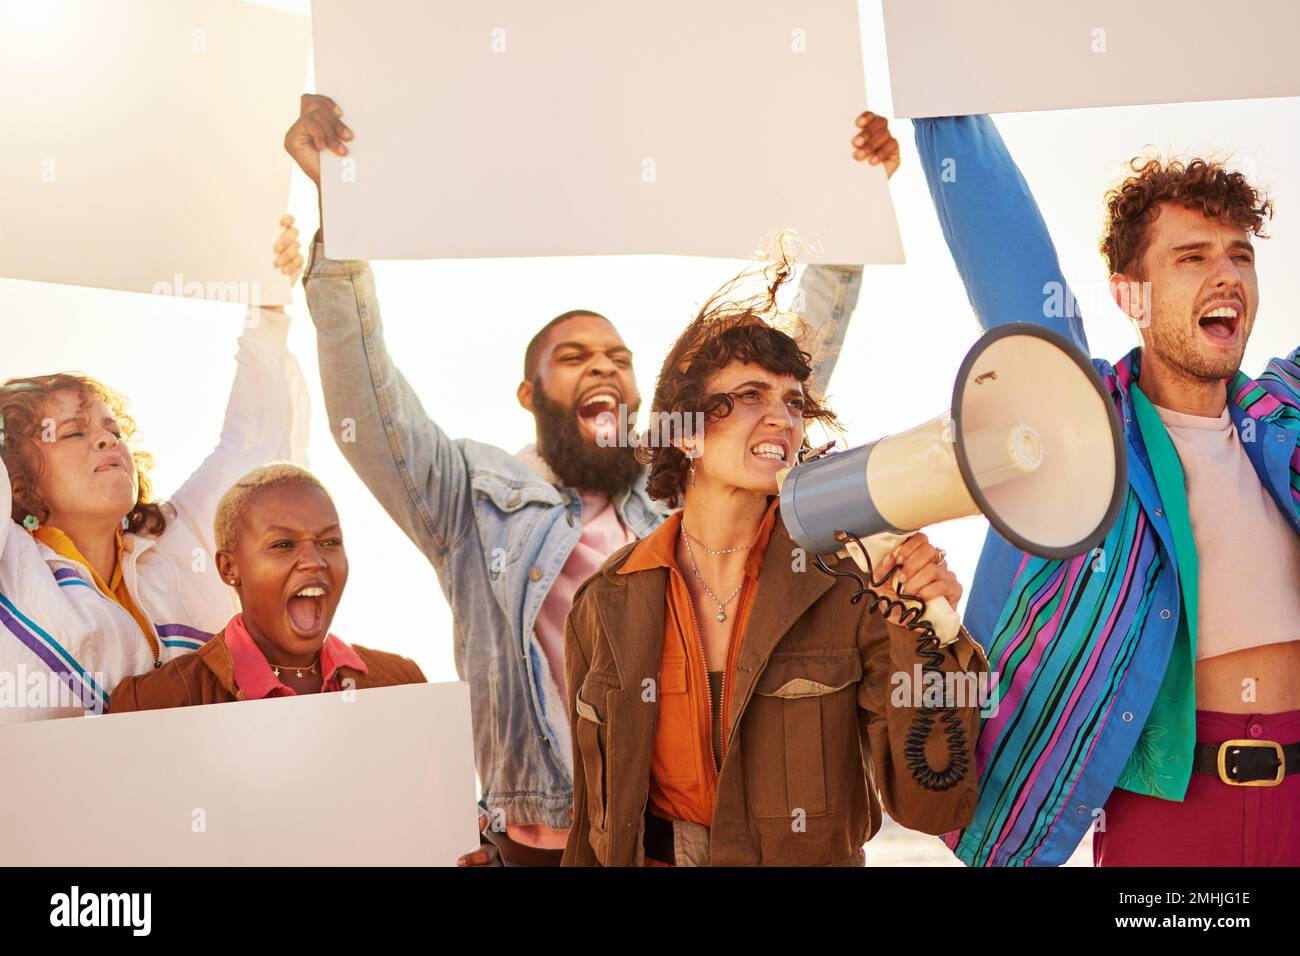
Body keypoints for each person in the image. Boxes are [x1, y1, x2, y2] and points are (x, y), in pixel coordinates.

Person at [282, 96, 902, 865]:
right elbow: (369, 407)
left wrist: (850, 215)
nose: (604, 365)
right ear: (531, 393)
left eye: (618, 357)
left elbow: (781, 377)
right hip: (542, 838)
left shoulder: (677, 481)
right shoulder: (470, 499)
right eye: (574, 358)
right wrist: (339, 212)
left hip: (667, 836)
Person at [901, 111, 1300, 865]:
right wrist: (944, 109)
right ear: (1132, 296)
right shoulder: (1085, 431)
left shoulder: (1288, 417)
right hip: (1171, 811)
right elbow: (1005, 246)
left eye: (1240, 255)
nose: (1227, 275)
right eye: (1191, 258)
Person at [562, 246, 986, 866]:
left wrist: (928, 632)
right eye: (751, 396)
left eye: (793, 401)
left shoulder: (851, 586)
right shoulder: (605, 600)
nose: (781, 419)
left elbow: (933, 807)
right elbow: (591, 825)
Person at [0, 217, 311, 724]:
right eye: (74, 432)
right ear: (15, 474)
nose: (105, 438)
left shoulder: (174, 550)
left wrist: (268, 306)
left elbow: (254, 444)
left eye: (112, 429)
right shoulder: (12, 570)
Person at [109, 464, 424, 711]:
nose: (314, 561)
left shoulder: (403, 681)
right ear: (229, 568)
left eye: (330, 541)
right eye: (283, 544)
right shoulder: (154, 700)